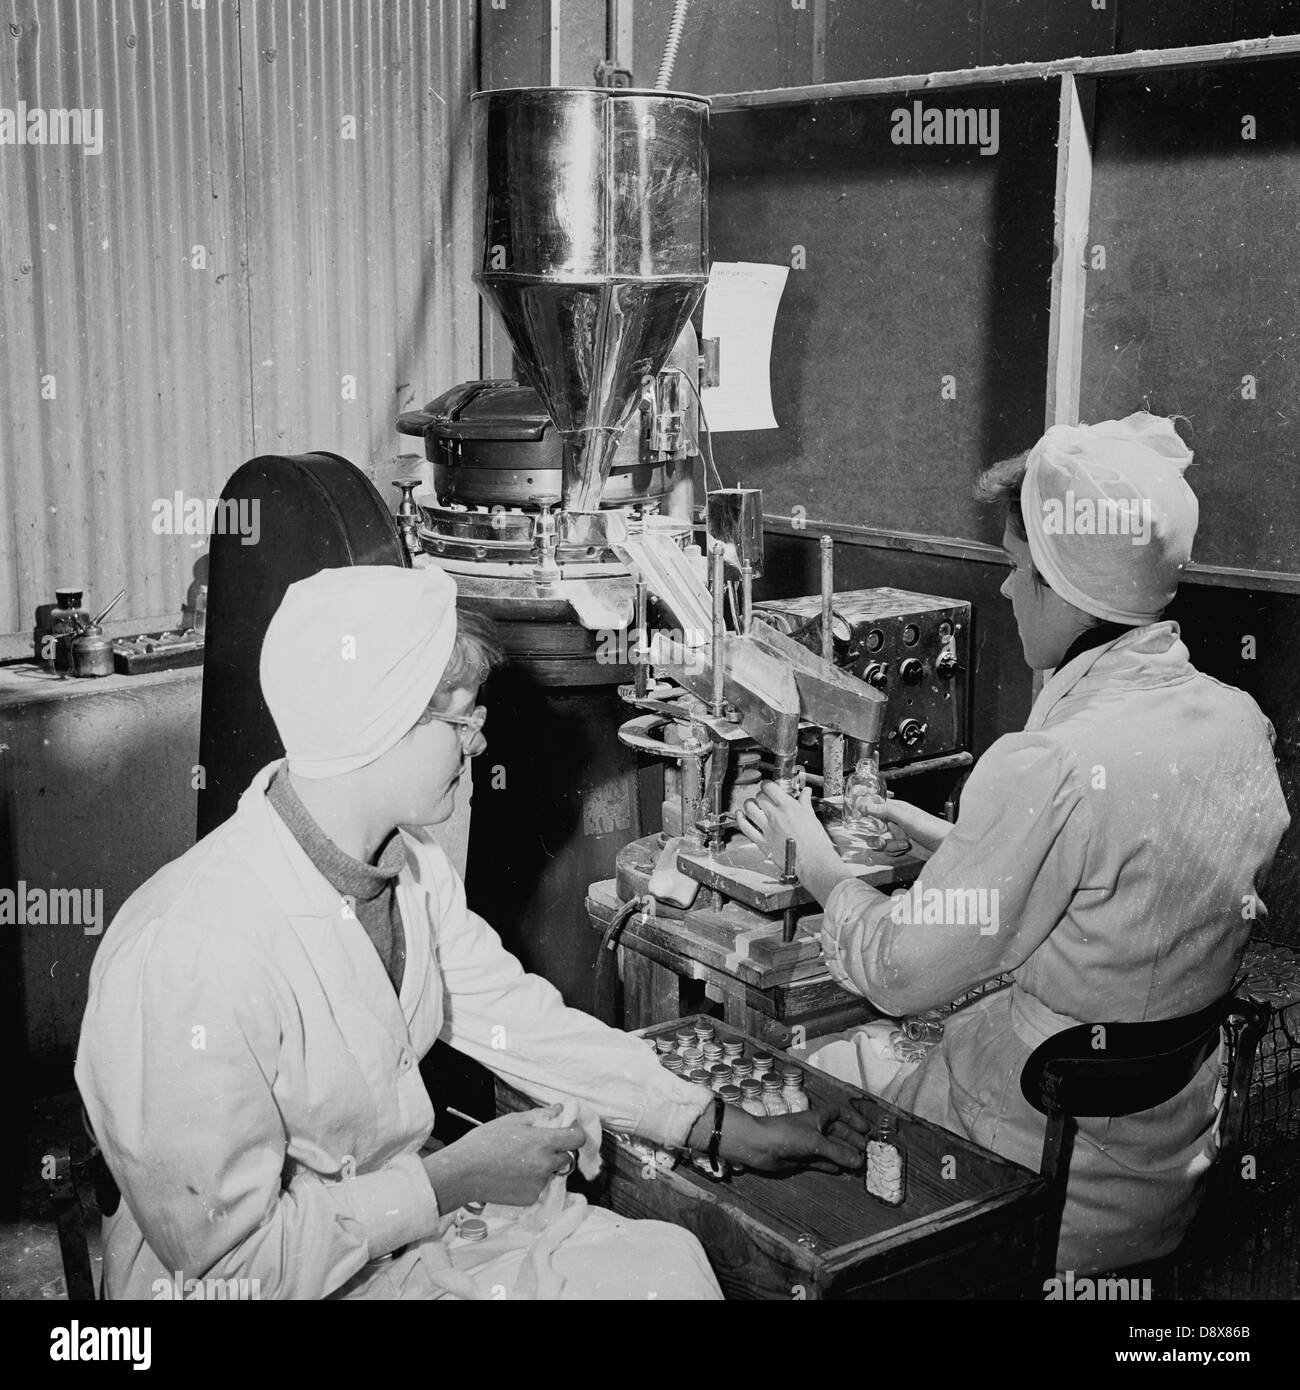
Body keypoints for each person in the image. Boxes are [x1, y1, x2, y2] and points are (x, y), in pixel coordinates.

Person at [76, 565, 868, 1301]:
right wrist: (451, 1180)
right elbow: (230, 1270)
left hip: (379, 1234)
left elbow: (520, 1023)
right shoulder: (190, 952)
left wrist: (720, 1127)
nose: (478, 743)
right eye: (461, 721)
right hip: (271, 1279)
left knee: (666, 1270)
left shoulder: (406, 867)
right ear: (375, 724)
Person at [736, 413, 1289, 1274]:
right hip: (1164, 1164)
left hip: (1041, 1171)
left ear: (1066, 582)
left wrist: (815, 856)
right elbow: (1118, 890)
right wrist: (947, 835)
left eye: (1015, 568)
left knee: (787, 1078)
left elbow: (898, 976)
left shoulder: (1052, 761)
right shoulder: (1233, 719)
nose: (1002, 591)